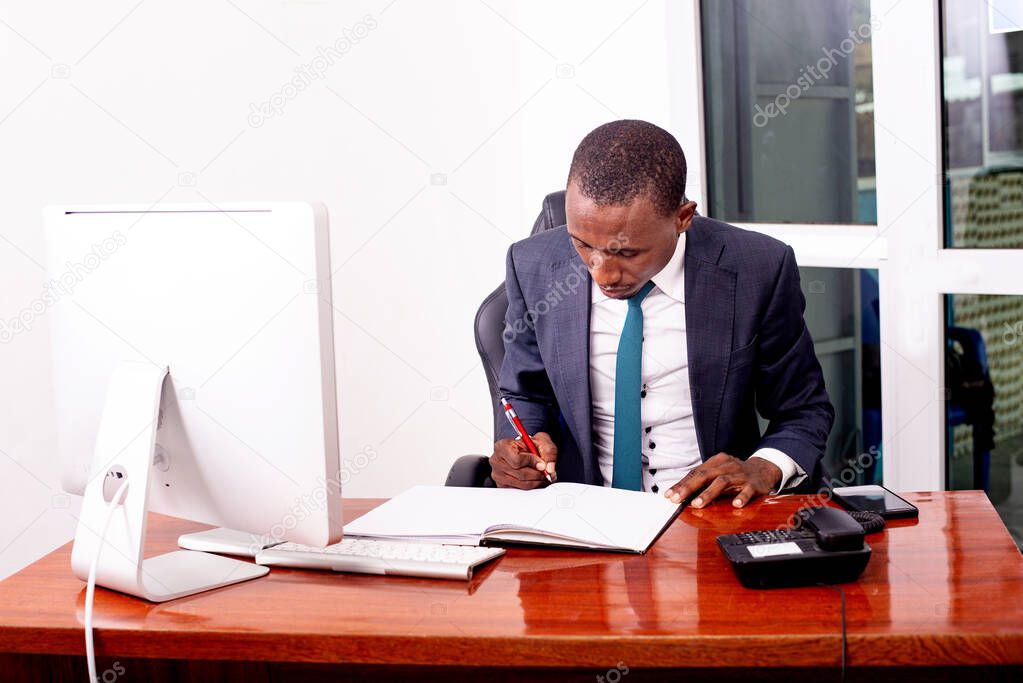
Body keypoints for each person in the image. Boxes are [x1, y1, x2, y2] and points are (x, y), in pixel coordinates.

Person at [489, 120, 834, 509]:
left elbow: (803, 409)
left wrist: (764, 467)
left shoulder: (758, 269)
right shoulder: (531, 264)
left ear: (683, 217)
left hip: (712, 514)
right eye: (582, 245)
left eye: (627, 252)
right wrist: (523, 445)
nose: (602, 275)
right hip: (582, 515)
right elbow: (521, 391)